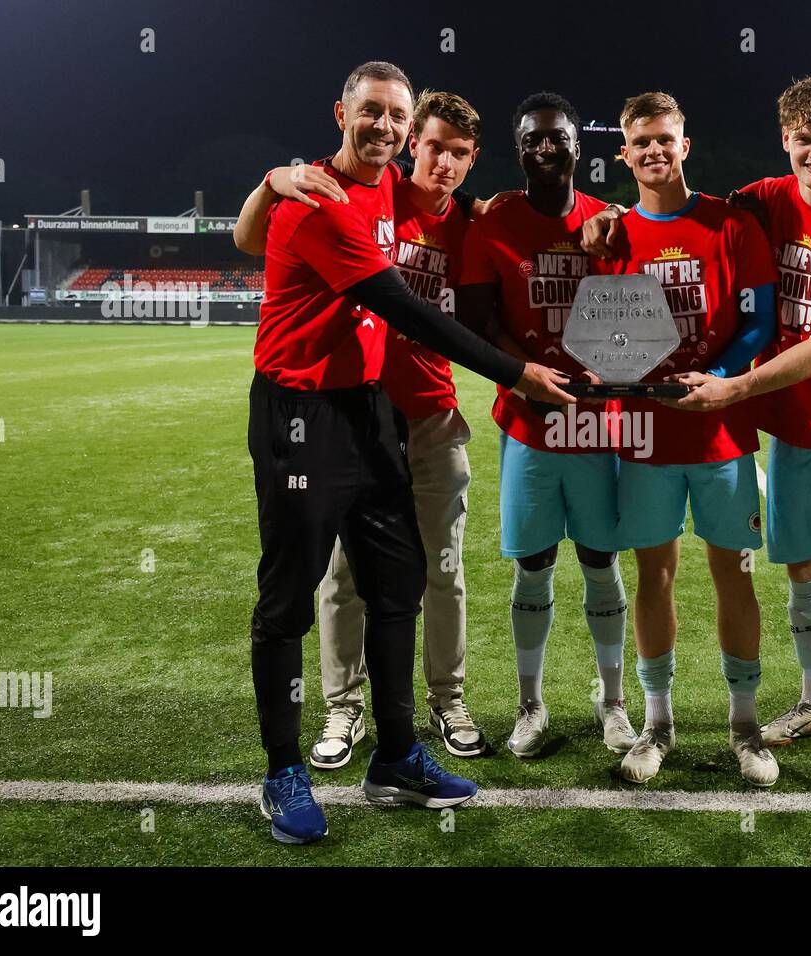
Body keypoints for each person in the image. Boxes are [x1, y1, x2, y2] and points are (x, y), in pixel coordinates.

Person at [236, 61, 572, 844]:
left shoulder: (389, 185)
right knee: (290, 596)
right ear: (341, 113)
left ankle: (394, 757)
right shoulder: (319, 201)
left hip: (369, 408)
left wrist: (484, 204)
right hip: (299, 412)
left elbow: (437, 207)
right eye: (373, 113)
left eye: (396, 116)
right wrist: (518, 372)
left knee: (399, 584)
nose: (385, 128)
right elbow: (405, 310)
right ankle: (283, 769)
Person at [589, 75, 811, 811]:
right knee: (802, 572)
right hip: (790, 431)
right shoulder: (764, 201)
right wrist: (610, 213)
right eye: (803, 138)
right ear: (787, 141)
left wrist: (733, 387)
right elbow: (675, 211)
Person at [239, 91, 492, 767]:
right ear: (414, 144)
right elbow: (250, 236)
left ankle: (447, 699)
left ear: (472, 163)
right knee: (341, 575)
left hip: (431, 412)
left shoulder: (473, 223)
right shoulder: (360, 195)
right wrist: (274, 178)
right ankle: (343, 709)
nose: (443, 163)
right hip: (350, 413)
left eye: (459, 154)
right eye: (434, 146)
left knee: (438, 572)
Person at [592, 92, 781, 787]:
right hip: (645, 434)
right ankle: (657, 723)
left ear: (684, 144)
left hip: (723, 430)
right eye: (640, 141)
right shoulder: (611, 236)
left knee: (732, 572)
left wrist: (722, 377)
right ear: (624, 152)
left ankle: (743, 723)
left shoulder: (732, 226)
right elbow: (608, 330)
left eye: (665, 139)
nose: (653, 151)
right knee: (655, 574)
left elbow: (758, 325)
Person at [455, 92, 637, 759]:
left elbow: (636, 309)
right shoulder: (495, 223)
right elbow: (478, 319)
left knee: (599, 560)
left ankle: (613, 702)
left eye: (557, 137)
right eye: (532, 138)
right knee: (532, 567)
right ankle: (531, 706)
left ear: (576, 146)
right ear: (519, 148)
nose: (545, 146)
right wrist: (523, 372)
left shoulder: (608, 222)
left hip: (595, 425)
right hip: (529, 423)